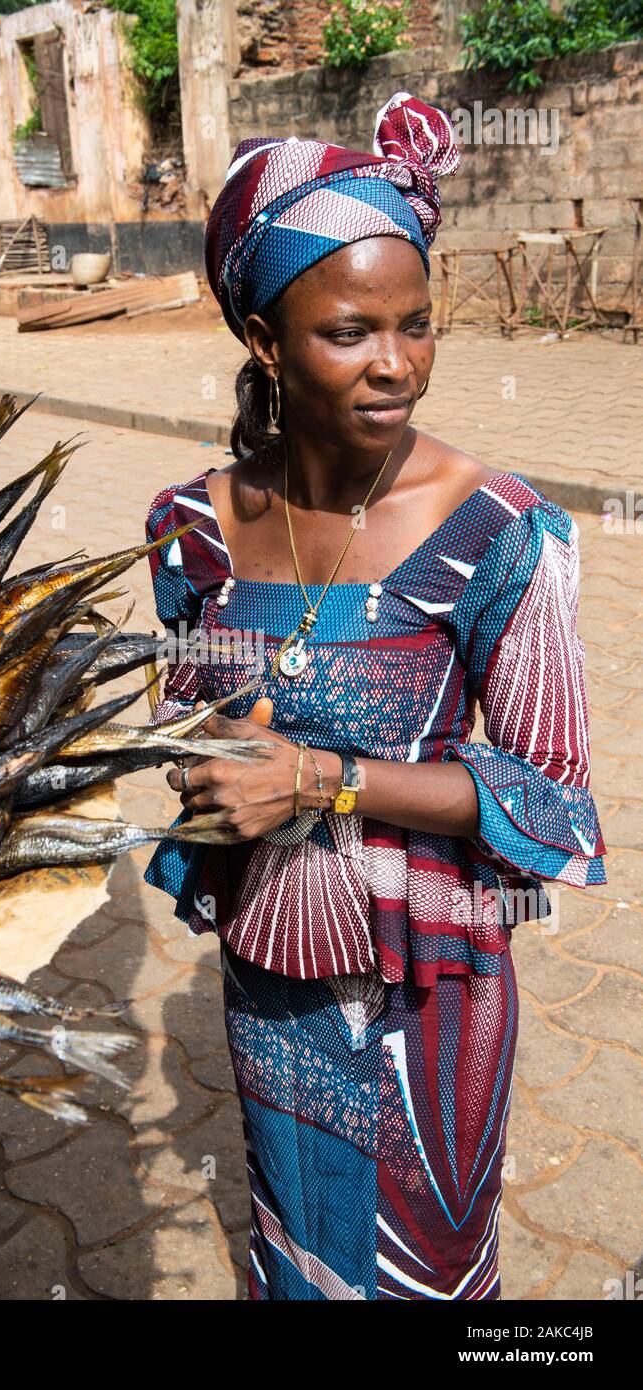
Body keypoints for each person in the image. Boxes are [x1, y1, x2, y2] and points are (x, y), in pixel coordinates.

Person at [141, 93, 607, 1301]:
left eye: (415, 326)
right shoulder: (190, 526)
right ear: (261, 336)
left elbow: (554, 806)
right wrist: (201, 757)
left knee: (427, 1268)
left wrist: (322, 776)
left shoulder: (500, 530)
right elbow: (188, 724)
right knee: (294, 1246)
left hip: (427, 978)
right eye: (349, 332)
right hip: (272, 971)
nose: (393, 363)